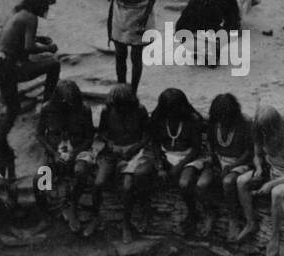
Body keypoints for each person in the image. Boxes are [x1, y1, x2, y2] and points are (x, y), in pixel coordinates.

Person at [236, 105, 284, 256]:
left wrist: (271, 184)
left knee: (277, 193)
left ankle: (275, 236)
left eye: (266, 129)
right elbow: (257, 154)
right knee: (241, 181)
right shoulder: (259, 131)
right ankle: (251, 222)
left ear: (274, 125)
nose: (263, 133)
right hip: (270, 168)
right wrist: (257, 167)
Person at [0, 0, 60, 131]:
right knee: (54, 63)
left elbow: (16, 37)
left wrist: (39, 39)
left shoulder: (18, 12)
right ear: (40, 4)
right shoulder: (31, 17)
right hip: (7, 67)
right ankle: (47, 105)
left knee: (13, 108)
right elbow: (29, 47)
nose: (47, 9)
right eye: (46, 5)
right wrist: (49, 48)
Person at [90, 83, 153, 243]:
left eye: (122, 107)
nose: (119, 110)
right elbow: (102, 133)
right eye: (116, 107)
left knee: (127, 185)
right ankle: (95, 217)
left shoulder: (140, 111)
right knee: (98, 183)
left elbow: (147, 135)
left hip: (135, 153)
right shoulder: (107, 111)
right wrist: (111, 145)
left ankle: (126, 223)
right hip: (113, 152)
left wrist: (135, 147)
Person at [35, 80, 96, 233]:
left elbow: (89, 138)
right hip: (54, 152)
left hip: (78, 151)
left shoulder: (83, 110)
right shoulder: (47, 110)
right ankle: (45, 216)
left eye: (72, 102)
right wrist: (54, 153)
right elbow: (40, 135)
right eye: (66, 102)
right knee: (39, 181)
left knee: (81, 172)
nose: (70, 105)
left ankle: (73, 206)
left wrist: (74, 154)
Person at [196, 93, 256, 239]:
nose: (222, 120)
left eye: (225, 117)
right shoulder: (214, 123)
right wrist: (212, 158)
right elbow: (211, 143)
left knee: (228, 182)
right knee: (201, 184)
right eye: (219, 117)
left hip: (239, 163)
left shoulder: (244, 124)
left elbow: (249, 152)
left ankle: (233, 218)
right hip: (219, 161)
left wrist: (232, 166)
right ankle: (209, 214)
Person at [148, 88, 205, 233]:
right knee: (141, 173)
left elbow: (196, 149)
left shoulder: (193, 120)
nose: (172, 113)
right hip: (165, 155)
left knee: (184, 183)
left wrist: (179, 165)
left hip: (188, 157)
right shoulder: (158, 118)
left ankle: (192, 214)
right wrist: (160, 166)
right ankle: (146, 211)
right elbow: (154, 143)